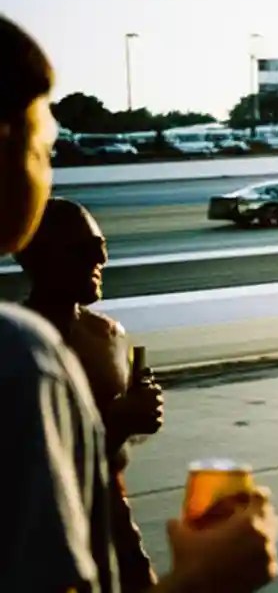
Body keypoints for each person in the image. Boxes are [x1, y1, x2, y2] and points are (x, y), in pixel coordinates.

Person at [1, 14, 278, 592]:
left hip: (116, 533)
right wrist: (204, 578)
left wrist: (124, 426)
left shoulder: (102, 334)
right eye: (45, 146)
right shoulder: (21, 355)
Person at [14, 196, 165, 591]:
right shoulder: (14, 353)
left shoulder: (110, 335)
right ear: (36, 259)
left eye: (101, 244)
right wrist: (116, 422)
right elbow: (26, 472)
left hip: (116, 528)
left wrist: (140, 418)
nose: (101, 257)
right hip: (46, 543)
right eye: (83, 248)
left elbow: (121, 443)